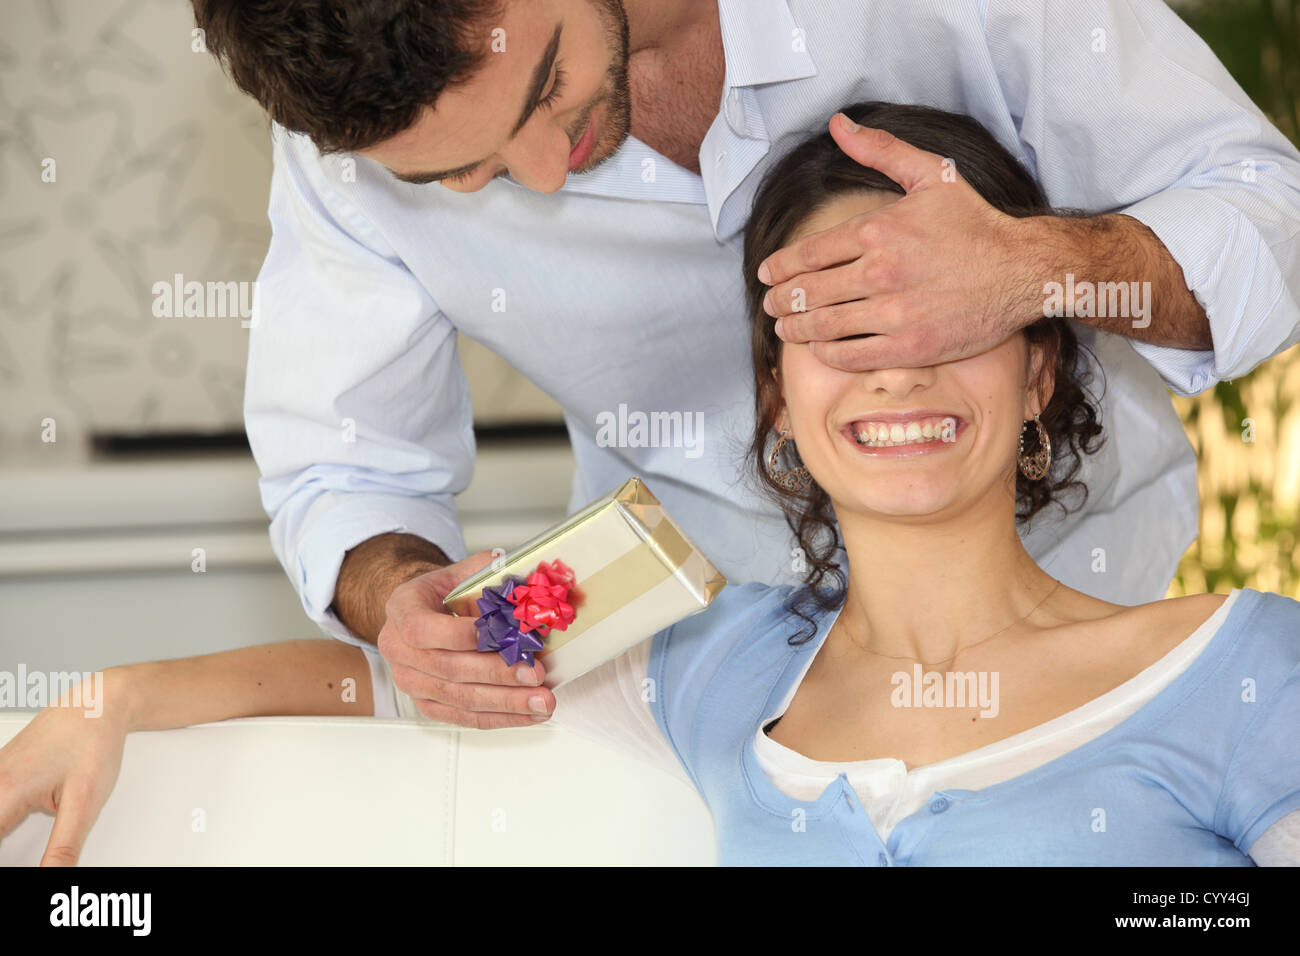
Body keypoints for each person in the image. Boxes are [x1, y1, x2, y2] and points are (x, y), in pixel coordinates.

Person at [3, 102, 1296, 867]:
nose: (893, 372)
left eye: (939, 323)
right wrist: (119, 695)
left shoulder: (1248, 672)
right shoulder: (706, 647)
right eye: (836, 329)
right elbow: (396, 672)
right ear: (778, 393)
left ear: (1042, 368)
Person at [189, 0, 1300, 730]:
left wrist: (1037, 266)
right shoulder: (348, 146)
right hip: (687, 670)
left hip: (1089, 600)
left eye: (544, 91)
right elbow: (342, 472)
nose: (536, 174)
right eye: (457, 177)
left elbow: (1274, 215)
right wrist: (396, 600)